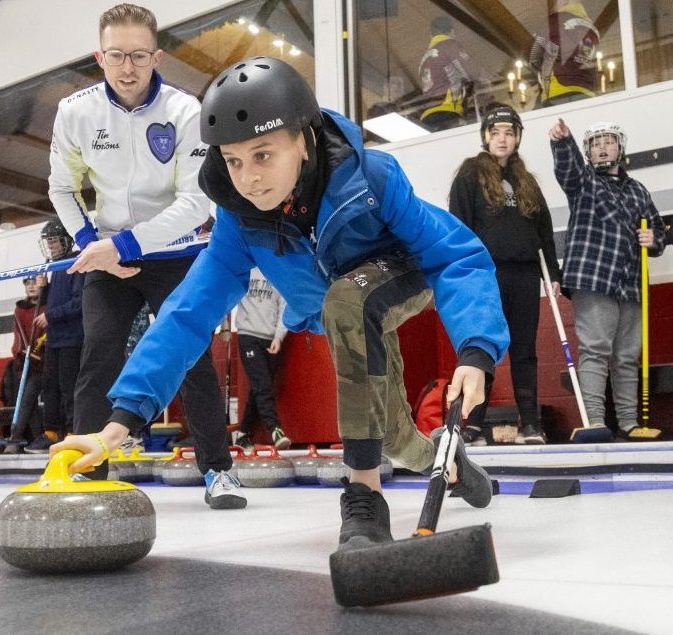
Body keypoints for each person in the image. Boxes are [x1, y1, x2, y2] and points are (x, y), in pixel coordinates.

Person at [52, 57, 509, 546]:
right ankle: (447, 460)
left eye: (263, 155)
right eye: (233, 161)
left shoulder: (372, 179)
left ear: (305, 139)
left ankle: (362, 495)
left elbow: (456, 255)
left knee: (346, 302)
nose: (247, 178)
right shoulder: (239, 221)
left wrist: (476, 351)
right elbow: (186, 314)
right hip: (343, 311)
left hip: (400, 275)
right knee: (393, 433)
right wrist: (119, 422)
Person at [48, 3, 238, 505]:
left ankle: (218, 471)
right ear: (99, 56)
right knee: (99, 358)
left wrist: (126, 244)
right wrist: (93, 246)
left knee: (189, 356)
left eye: (138, 55)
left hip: (177, 254)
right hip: (108, 259)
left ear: (156, 56)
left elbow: (197, 200)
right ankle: (90, 473)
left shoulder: (186, 113)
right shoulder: (75, 112)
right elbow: (62, 190)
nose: (127, 67)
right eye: (116, 55)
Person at [449, 104, 560, 445]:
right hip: (486, 276)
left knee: (524, 350)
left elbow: (545, 230)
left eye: (509, 133)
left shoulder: (526, 181)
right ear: (485, 136)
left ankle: (530, 425)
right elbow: (458, 228)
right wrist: (461, 274)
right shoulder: (469, 175)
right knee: (485, 348)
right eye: (496, 133)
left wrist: (552, 274)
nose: (502, 139)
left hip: (526, 275)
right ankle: (472, 425)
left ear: (517, 139)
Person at [549, 118, 666, 440]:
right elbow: (568, 169)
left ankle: (629, 424)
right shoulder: (583, 182)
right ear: (588, 151)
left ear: (620, 148)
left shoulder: (638, 190)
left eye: (608, 141)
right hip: (593, 276)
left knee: (627, 356)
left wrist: (653, 239)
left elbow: (658, 232)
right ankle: (595, 423)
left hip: (630, 283)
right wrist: (563, 143)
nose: (602, 147)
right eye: (595, 143)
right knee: (596, 350)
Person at [25, 221, 83, 454]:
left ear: (66, 240)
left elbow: (78, 303)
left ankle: (71, 431)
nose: (50, 246)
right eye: (47, 241)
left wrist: (51, 315)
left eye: (54, 240)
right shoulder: (56, 268)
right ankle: (50, 432)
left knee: (69, 386)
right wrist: (44, 289)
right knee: (50, 386)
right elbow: (56, 300)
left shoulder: (75, 263)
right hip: (55, 339)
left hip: (72, 337)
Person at [232, 268, 291, 452]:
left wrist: (279, 336)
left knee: (258, 388)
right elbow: (227, 295)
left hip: (270, 338)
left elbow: (284, 307)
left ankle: (242, 434)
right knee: (263, 385)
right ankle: (275, 430)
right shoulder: (244, 269)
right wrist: (225, 326)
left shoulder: (277, 272)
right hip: (247, 335)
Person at [1, 276, 46, 453]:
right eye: (27, 283)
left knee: (28, 396)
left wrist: (39, 351)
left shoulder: (45, 308)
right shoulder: (20, 309)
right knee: (29, 401)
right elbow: (18, 336)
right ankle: (36, 437)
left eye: (34, 282)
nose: (31, 286)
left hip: (44, 361)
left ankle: (15, 436)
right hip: (25, 360)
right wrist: (19, 352)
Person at [417, 16, 484, 132]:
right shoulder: (448, 45)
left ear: (431, 35)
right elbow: (473, 73)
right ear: (452, 31)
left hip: (426, 116)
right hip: (447, 111)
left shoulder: (424, 58)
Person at [530, 1, 600, 107]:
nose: (554, 8)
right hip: (587, 90)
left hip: (558, 88)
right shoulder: (593, 29)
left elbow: (534, 57)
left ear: (564, 4)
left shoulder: (555, 20)